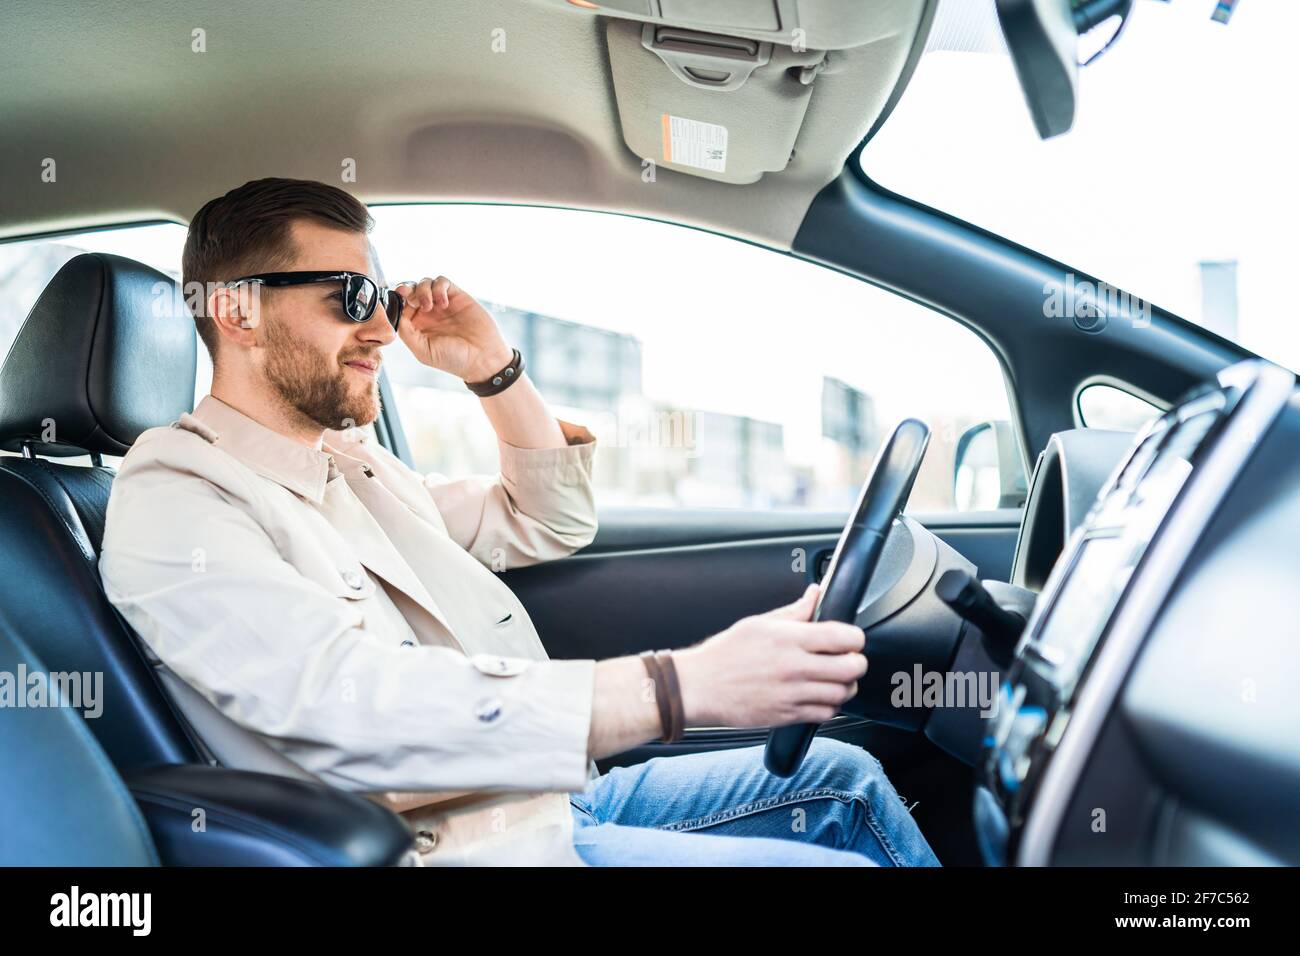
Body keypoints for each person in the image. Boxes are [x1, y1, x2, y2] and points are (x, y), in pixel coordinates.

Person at [99, 177, 939, 867]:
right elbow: (349, 709)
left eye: (382, 296)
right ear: (238, 310)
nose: (384, 330)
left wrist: (493, 370)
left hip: (543, 798)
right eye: (352, 296)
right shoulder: (177, 501)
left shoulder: (348, 463)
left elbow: (548, 519)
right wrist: (677, 688)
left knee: (846, 778)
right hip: (448, 847)